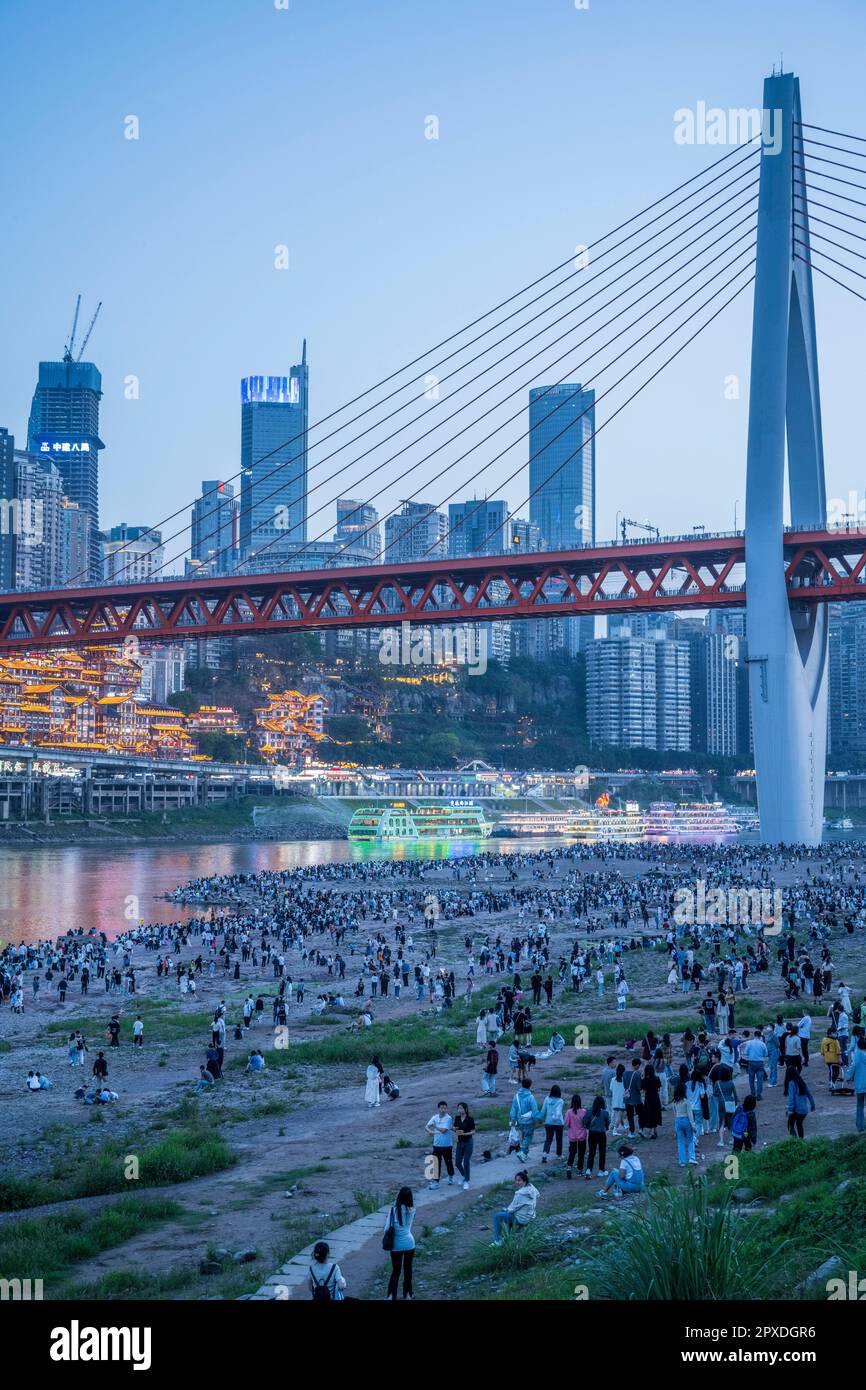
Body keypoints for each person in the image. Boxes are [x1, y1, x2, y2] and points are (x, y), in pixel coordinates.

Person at [489, 1169, 539, 1247]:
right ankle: (508, 1237)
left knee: (497, 1216)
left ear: (524, 1181)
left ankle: (498, 1241)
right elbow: (537, 1195)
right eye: (516, 1180)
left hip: (521, 1219)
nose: (517, 1182)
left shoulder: (520, 1194)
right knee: (506, 1215)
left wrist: (506, 1210)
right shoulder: (532, 1188)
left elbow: (512, 1208)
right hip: (530, 1216)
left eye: (519, 1180)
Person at [384, 1187, 416, 1300]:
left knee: (396, 1271)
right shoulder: (412, 1210)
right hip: (409, 1243)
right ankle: (407, 1294)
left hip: (396, 1245)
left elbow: (386, 1229)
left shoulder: (393, 1210)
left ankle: (391, 1295)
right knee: (408, 1269)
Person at [425, 1101, 455, 1187]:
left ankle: (450, 1177)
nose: (443, 1110)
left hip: (447, 1145)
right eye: (442, 1108)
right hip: (437, 1145)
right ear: (438, 1108)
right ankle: (436, 1181)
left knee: (448, 1162)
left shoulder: (448, 1118)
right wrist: (430, 1131)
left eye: (445, 1108)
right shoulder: (434, 1117)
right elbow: (426, 1126)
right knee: (436, 1163)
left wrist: (435, 1127)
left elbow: (444, 1130)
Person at [509, 1079, 540, 1160]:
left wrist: (513, 1119)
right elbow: (535, 1110)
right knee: (528, 1137)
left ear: (522, 1085)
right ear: (530, 1086)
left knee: (523, 1136)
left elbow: (513, 1109)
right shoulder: (530, 1097)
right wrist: (538, 1118)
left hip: (520, 1121)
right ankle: (522, 1152)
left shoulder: (516, 1096)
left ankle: (525, 1154)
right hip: (529, 1121)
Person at [785, 1064, 816, 1138]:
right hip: (804, 1110)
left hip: (796, 1109)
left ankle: (795, 1141)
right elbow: (809, 1094)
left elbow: (791, 1098)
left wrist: (790, 1109)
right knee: (799, 1124)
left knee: (790, 1126)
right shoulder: (801, 1082)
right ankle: (801, 1141)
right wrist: (812, 1105)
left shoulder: (791, 1083)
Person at [672, 1081, 698, 1167]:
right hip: (686, 1120)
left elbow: (675, 1114)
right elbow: (690, 1115)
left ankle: (682, 1161)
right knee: (690, 1140)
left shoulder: (674, 1102)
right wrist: (693, 1125)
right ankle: (692, 1158)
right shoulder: (687, 1102)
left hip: (678, 1121)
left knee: (680, 1142)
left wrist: (675, 1127)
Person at [585, 1094, 610, 1180]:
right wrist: (606, 1127)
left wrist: (589, 1127)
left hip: (592, 1133)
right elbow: (608, 1123)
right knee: (602, 1152)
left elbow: (585, 1121)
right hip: (601, 1134)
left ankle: (588, 1169)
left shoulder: (589, 1111)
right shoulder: (605, 1113)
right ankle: (601, 1170)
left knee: (591, 1152)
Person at [538, 1083, 565, 1163]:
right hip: (559, 1123)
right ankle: (559, 1155)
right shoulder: (561, 1101)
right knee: (559, 1139)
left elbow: (543, 1111)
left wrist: (539, 1117)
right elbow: (559, 1112)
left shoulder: (547, 1099)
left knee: (548, 1139)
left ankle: (545, 1154)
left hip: (548, 1122)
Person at [564, 1093, 588, 1178]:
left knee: (572, 1153)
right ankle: (580, 1170)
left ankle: (569, 1168)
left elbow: (566, 1124)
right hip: (582, 1136)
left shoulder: (569, 1112)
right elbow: (586, 1124)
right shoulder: (584, 1111)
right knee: (581, 1154)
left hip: (572, 1136)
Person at [846, 1035, 866, 1132]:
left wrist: (848, 1077)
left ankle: (860, 1126)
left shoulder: (858, 1054)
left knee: (860, 1105)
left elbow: (853, 1067)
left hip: (860, 1085)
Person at [454, 1102, 476, 1190]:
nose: (460, 1110)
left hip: (468, 1142)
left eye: (461, 1108)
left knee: (466, 1162)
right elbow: (454, 1127)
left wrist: (465, 1133)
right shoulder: (457, 1118)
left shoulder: (470, 1119)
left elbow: (473, 1131)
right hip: (460, 1143)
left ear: (466, 1109)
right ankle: (464, 1175)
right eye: (459, 1108)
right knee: (457, 1163)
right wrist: (455, 1130)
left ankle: (467, 1181)